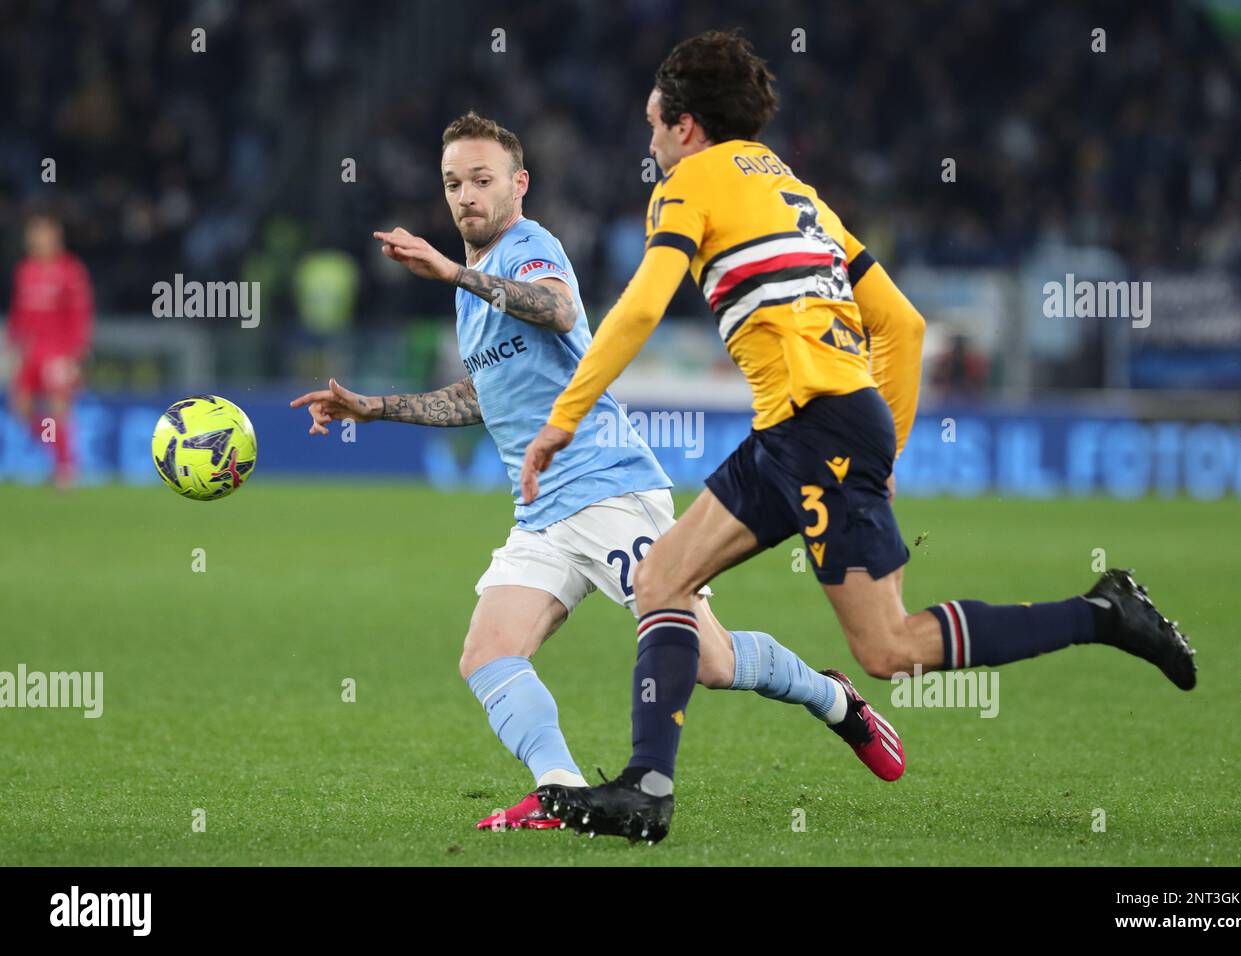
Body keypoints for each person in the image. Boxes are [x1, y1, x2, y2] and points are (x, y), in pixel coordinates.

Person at [521, 31, 1196, 843]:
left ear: (689, 126)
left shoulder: (688, 186)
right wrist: (890, 450)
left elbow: (638, 305)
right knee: (663, 578)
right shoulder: (795, 192)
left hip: (820, 427)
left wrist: (565, 416)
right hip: (807, 426)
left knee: (889, 647)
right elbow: (902, 327)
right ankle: (647, 790)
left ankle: (1104, 612)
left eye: (655, 126)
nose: (651, 144)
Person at [290, 112, 904, 833]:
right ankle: (558, 791)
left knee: (711, 660)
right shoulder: (472, 290)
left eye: (482, 180)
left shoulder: (529, 249)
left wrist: (454, 269)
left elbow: (556, 310)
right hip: (541, 512)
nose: (466, 196)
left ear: (519, 184)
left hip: (608, 488)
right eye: (454, 182)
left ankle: (833, 699)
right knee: (487, 653)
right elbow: (483, 398)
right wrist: (375, 407)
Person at [6, 213, 94, 487]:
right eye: (33, 233)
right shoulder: (25, 270)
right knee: (20, 408)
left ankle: (66, 469)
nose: (36, 239)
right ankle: (57, 453)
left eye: (42, 233)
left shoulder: (70, 270)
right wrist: (12, 342)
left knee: (59, 410)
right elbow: (19, 313)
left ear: (55, 237)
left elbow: (81, 314)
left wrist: (75, 353)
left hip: (58, 351)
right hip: (30, 352)